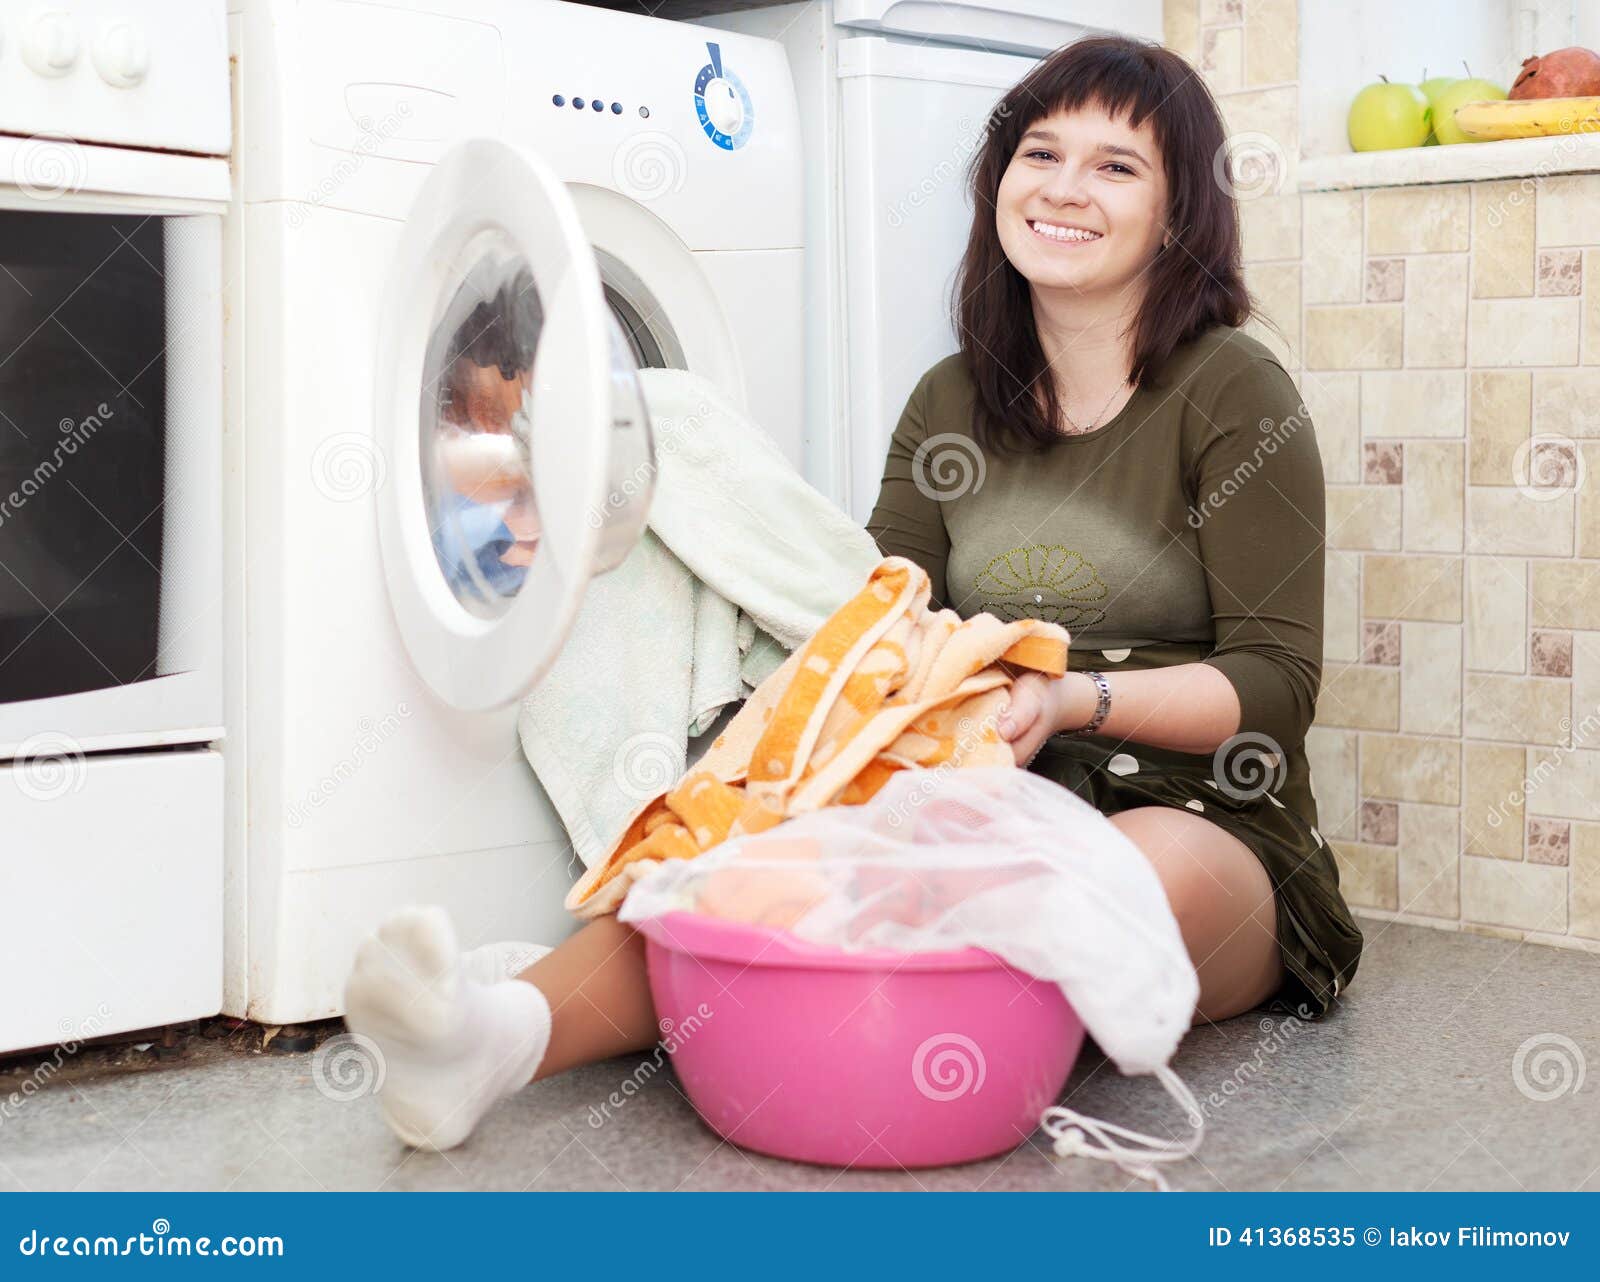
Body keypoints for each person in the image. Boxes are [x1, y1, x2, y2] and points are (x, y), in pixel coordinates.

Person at [341, 34, 1361, 1153]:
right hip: (972, 781)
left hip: (1201, 818)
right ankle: (491, 1037)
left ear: (1177, 215)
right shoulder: (952, 399)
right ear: (997, 184)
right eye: (1039, 153)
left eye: (1117, 166)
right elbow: (878, 612)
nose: (1065, 188)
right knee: (752, 869)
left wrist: (1071, 700)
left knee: (1089, 878)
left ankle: (900, 1008)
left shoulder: (1231, 387)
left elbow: (1273, 684)